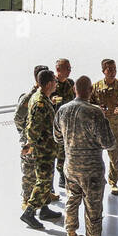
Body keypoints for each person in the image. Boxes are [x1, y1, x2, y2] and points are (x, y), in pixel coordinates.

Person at [53, 75, 116, 236]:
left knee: (72, 201)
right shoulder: (94, 112)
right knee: (93, 205)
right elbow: (109, 142)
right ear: (91, 91)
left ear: (75, 90)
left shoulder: (62, 110)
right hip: (91, 169)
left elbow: (57, 137)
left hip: (70, 166)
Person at [21, 70, 63, 229]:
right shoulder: (40, 102)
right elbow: (32, 128)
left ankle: (44, 209)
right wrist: (30, 145)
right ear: (49, 83)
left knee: (46, 178)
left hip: (47, 148)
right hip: (43, 149)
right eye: (54, 81)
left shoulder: (42, 99)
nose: (56, 84)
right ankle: (29, 212)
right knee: (44, 181)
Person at [90, 59, 118, 195]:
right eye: (109, 69)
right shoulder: (95, 87)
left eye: (114, 69)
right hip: (98, 128)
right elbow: (88, 103)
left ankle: (113, 182)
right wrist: (97, 108)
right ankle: (97, 179)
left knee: (115, 157)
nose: (112, 72)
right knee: (96, 155)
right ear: (103, 71)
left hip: (115, 127)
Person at [16, 65, 52, 209]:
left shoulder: (43, 96)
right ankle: (27, 200)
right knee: (29, 173)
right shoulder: (31, 97)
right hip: (31, 140)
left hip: (40, 141)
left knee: (41, 174)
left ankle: (43, 203)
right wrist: (25, 136)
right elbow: (18, 118)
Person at [48, 58, 76, 188]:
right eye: (67, 68)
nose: (70, 71)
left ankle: (62, 176)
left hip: (68, 125)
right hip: (54, 125)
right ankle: (49, 185)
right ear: (58, 70)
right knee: (51, 155)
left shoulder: (71, 83)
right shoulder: (51, 84)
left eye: (70, 68)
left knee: (64, 153)